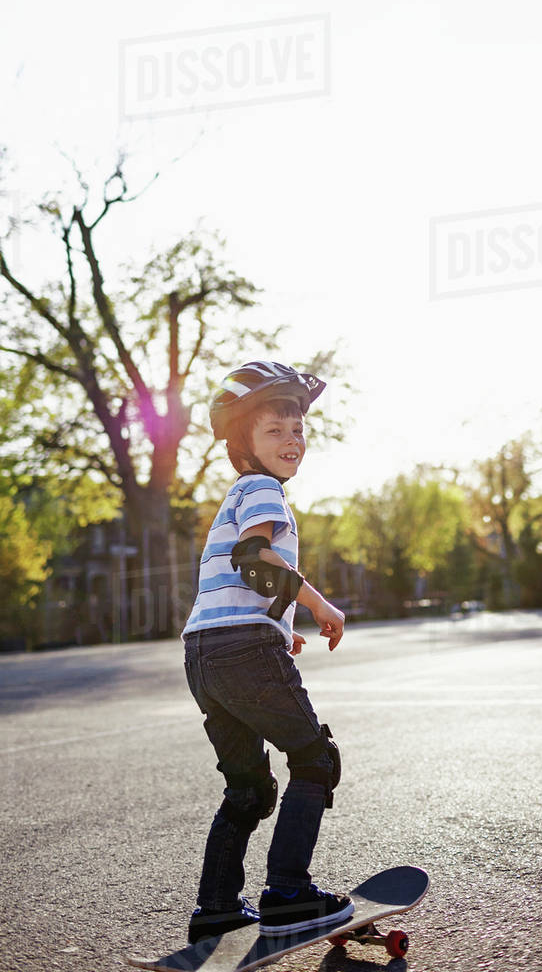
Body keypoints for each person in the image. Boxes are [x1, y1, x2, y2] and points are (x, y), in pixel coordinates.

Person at [182, 360, 352, 944]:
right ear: (243, 442)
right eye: (274, 430)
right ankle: (288, 893)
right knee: (315, 759)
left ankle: (217, 908)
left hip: (204, 654)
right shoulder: (261, 489)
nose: (291, 440)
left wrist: (277, 626)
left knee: (249, 788)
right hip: (243, 651)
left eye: (297, 429)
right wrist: (318, 605)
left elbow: (235, 588)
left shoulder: (234, 496)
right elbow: (254, 562)